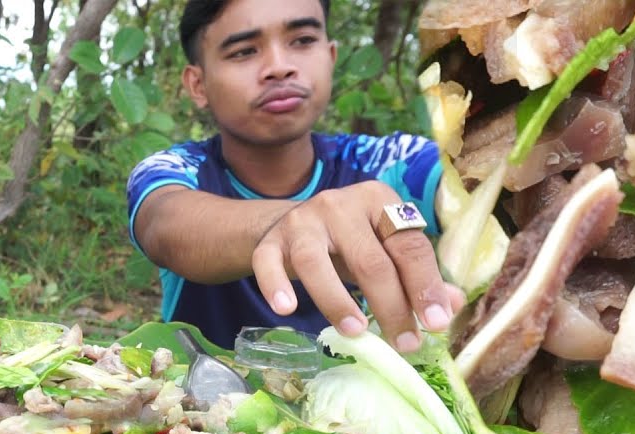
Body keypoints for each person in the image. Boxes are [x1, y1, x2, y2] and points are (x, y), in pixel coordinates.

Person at [127, 0, 463, 350]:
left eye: (302, 40)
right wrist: (298, 223)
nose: (279, 67)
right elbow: (165, 225)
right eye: (244, 51)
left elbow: (475, 184)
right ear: (198, 84)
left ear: (330, 58)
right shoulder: (173, 169)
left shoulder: (390, 161)